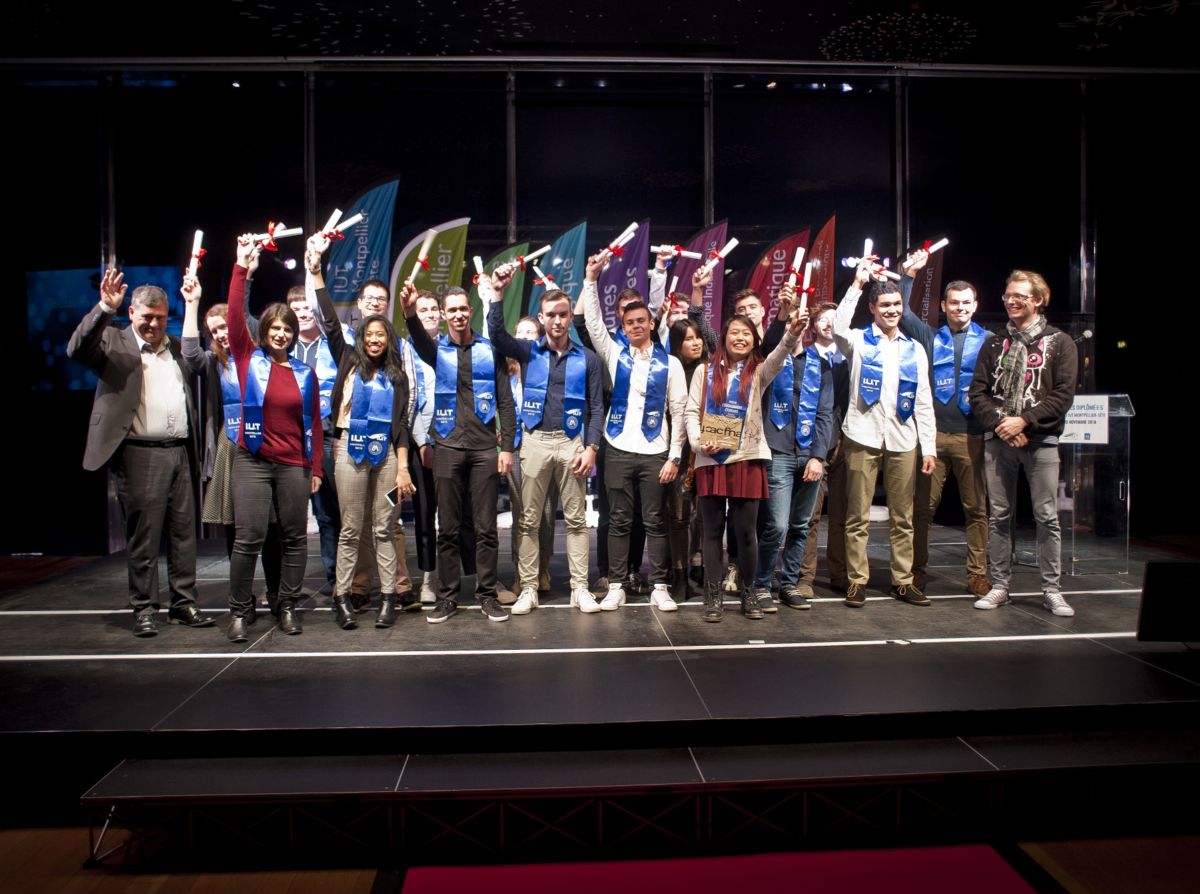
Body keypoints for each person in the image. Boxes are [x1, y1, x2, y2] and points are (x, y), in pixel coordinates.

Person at [67, 268, 209, 637]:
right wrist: (103, 307)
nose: (154, 325)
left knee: (183, 533)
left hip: (179, 450)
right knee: (144, 537)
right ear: (131, 313)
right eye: (147, 317)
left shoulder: (175, 346)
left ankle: (184, 603)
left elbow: (198, 363)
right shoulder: (113, 341)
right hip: (139, 453)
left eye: (161, 318)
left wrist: (193, 304)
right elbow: (76, 348)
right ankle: (145, 608)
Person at [483, 268, 605, 614]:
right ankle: (529, 588)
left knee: (578, 521)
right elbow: (496, 334)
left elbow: (596, 408)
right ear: (541, 318)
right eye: (550, 315)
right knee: (528, 521)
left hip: (572, 444)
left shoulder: (589, 360)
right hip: (533, 442)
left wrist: (592, 446)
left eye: (563, 314)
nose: (557, 321)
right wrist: (497, 294)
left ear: (569, 316)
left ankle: (579, 588)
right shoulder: (527, 352)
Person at [307, 235, 412, 628]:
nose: (373, 339)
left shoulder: (396, 375)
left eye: (380, 334)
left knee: (384, 527)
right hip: (348, 448)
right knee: (351, 529)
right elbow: (331, 322)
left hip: (385, 455)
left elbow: (400, 428)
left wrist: (402, 468)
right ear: (362, 337)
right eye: (368, 334)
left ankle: (388, 598)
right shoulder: (347, 358)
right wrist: (316, 272)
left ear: (388, 339)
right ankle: (343, 598)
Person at [225, 235, 324, 642]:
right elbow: (234, 315)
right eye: (275, 328)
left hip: (293, 466)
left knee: (295, 538)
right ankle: (239, 611)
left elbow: (315, 424)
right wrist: (240, 269)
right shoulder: (249, 359)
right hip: (252, 460)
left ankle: (286, 605)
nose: (282, 334)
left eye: (288, 328)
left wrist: (315, 468)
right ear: (264, 331)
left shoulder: (305, 374)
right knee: (249, 537)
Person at [400, 282, 516, 623]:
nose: (458, 314)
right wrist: (409, 311)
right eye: (451, 310)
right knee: (447, 528)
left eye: (463, 308)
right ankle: (447, 597)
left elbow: (505, 401)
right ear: (444, 314)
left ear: (471, 310)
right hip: (448, 447)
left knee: (486, 529)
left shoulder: (488, 350)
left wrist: (506, 446)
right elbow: (418, 339)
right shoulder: (437, 350)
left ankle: (487, 594)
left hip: (483, 449)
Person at [582, 253, 687, 611]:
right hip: (618, 448)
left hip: (656, 451)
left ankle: (659, 585)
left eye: (642, 320)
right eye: (630, 322)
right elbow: (594, 325)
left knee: (656, 520)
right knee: (619, 521)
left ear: (652, 322)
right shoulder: (614, 354)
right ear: (623, 327)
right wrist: (590, 281)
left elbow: (679, 412)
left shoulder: (670, 363)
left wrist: (674, 456)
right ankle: (615, 584)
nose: (636, 326)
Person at [969, 270, 1078, 616]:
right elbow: (978, 392)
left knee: (1046, 516)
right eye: (1007, 296)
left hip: (1041, 440)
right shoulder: (993, 343)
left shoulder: (1060, 342)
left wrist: (1025, 421)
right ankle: (1000, 585)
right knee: (999, 515)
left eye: (1019, 296)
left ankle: (1052, 589)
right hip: (999, 439)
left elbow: (1062, 395)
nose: (1011, 301)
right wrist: (1003, 424)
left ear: (1038, 300)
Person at [685, 308, 804, 621]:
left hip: (747, 457)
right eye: (734, 332)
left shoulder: (760, 371)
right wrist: (698, 443)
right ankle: (713, 597)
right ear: (724, 338)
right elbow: (690, 412)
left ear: (754, 340)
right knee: (711, 532)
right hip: (710, 458)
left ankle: (749, 592)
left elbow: (780, 354)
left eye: (746, 333)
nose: (740, 338)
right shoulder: (704, 371)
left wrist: (791, 334)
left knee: (746, 533)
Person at [834, 262, 937, 609]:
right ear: (873, 309)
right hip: (863, 436)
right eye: (885, 306)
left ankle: (903, 581)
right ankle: (856, 580)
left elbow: (923, 400)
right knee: (857, 515)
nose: (892, 311)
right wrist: (857, 284)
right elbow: (836, 327)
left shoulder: (914, 348)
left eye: (897, 305)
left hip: (903, 440)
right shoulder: (858, 340)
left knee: (903, 516)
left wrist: (929, 448)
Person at [900, 249, 994, 596]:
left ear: (975, 304)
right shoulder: (928, 337)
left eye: (966, 303)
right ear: (943, 306)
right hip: (933, 437)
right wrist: (909, 276)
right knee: (923, 509)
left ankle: (977, 574)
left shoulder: (990, 341)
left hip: (973, 436)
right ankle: (916, 570)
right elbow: (904, 313)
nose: (960, 309)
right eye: (954, 303)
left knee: (976, 509)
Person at [755, 285, 835, 611]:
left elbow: (825, 414)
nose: (799, 328)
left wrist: (819, 455)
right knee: (776, 525)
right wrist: (783, 314)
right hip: (778, 452)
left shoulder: (822, 364)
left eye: (804, 323)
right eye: (794, 323)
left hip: (809, 455)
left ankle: (789, 584)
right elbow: (769, 341)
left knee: (801, 526)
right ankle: (761, 585)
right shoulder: (771, 358)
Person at [798, 302, 851, 597]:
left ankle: (840, 573)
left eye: (835, 319)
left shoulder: (851, 357)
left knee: (843, 514)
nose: (829, 324)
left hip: (847, 442)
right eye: (823, 319)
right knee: (810, 515)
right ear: (813, 325)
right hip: (814, 444)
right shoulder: (805, 357)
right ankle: (805, 577)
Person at [667, 319, 708, 602]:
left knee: (705, 515)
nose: (696, 343)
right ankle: (678, 572)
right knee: (679, 516)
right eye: (688, 339)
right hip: (680, 454)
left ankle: (701, 565)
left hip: (708, 450)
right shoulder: (670, 370)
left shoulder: (710, 371)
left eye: (698, 338)